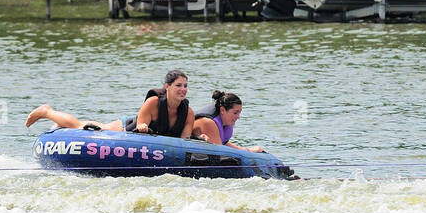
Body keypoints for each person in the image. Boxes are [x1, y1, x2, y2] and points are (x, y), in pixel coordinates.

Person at [24, 69, 195, 139]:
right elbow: (141, 123)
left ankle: (54, 117)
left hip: (156, 142)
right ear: (167, 87)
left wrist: (199, 138)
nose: (183, 89)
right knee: (80, 126)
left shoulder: (188, 113)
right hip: (125, 129)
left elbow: (184, 141)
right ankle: (46, 111)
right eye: (178, 85)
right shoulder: (153, 103)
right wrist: (142, 126)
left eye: (185, 86)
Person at [191, 90, 266, 153]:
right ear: (222, 110)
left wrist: (249, 150)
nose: (238, 117)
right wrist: (249, 152)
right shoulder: (208, 122)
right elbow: (221, 153)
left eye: (239, 113)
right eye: (235, 113)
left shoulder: (224, 122)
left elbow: (224, 143)